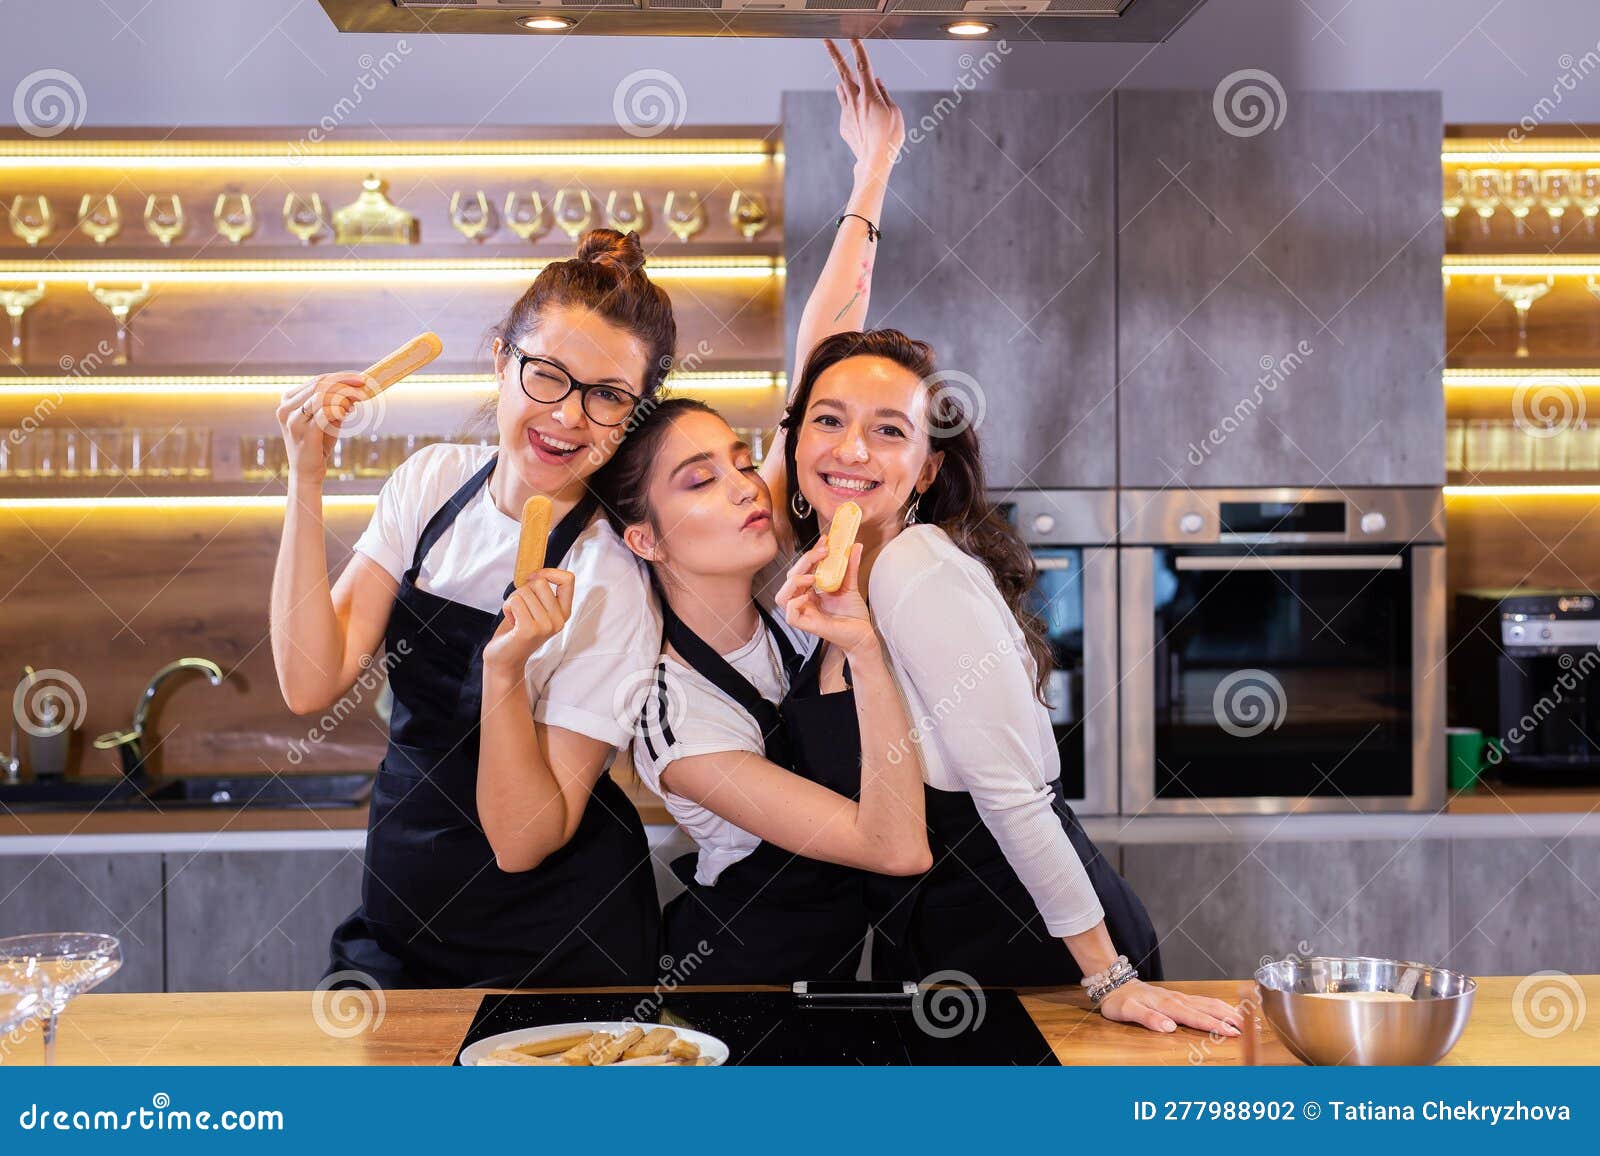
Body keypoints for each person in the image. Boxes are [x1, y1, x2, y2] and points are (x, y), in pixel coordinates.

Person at [774, 328, 1243, 1034]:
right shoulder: (842, 585)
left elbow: (1015, 795)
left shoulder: (914, 569)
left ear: (927, 470)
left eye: (889, 430)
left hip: (1039, 958)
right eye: (829, 419)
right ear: (797, 441)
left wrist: (1108, 978)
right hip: (941, 959)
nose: (851, 450)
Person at [270, 227, 669, 988]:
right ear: (501, 362)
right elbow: (309, 683)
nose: (570, 417)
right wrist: (306, 479)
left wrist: (507, 669)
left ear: (632, 416)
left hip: (556, 951)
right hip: (399, 925)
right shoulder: (430, 486)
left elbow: (525, 839)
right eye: (547, 374)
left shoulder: (610, 578)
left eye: (609, 396)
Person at [591, 398, 929, 982]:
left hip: (829, 974)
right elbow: (896, 850)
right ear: (645, 542)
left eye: (744, 465)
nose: (747, 489)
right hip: (734, 990)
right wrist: (865, 653)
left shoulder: (791, 610)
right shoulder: (677, 713)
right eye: (700, 480)